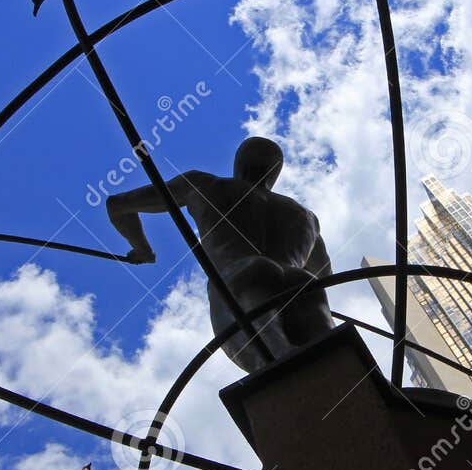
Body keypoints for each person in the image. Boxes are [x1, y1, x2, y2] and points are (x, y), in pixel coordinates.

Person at [106, 137, 333, 372]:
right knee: (338, 360)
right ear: (275, 173)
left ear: (239, 165)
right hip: (302, 282)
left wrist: (143, 249)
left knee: (275, 365)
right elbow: (325, 274)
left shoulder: (202, 185)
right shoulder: (306, 217)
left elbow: (117, 205)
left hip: (245, 274)